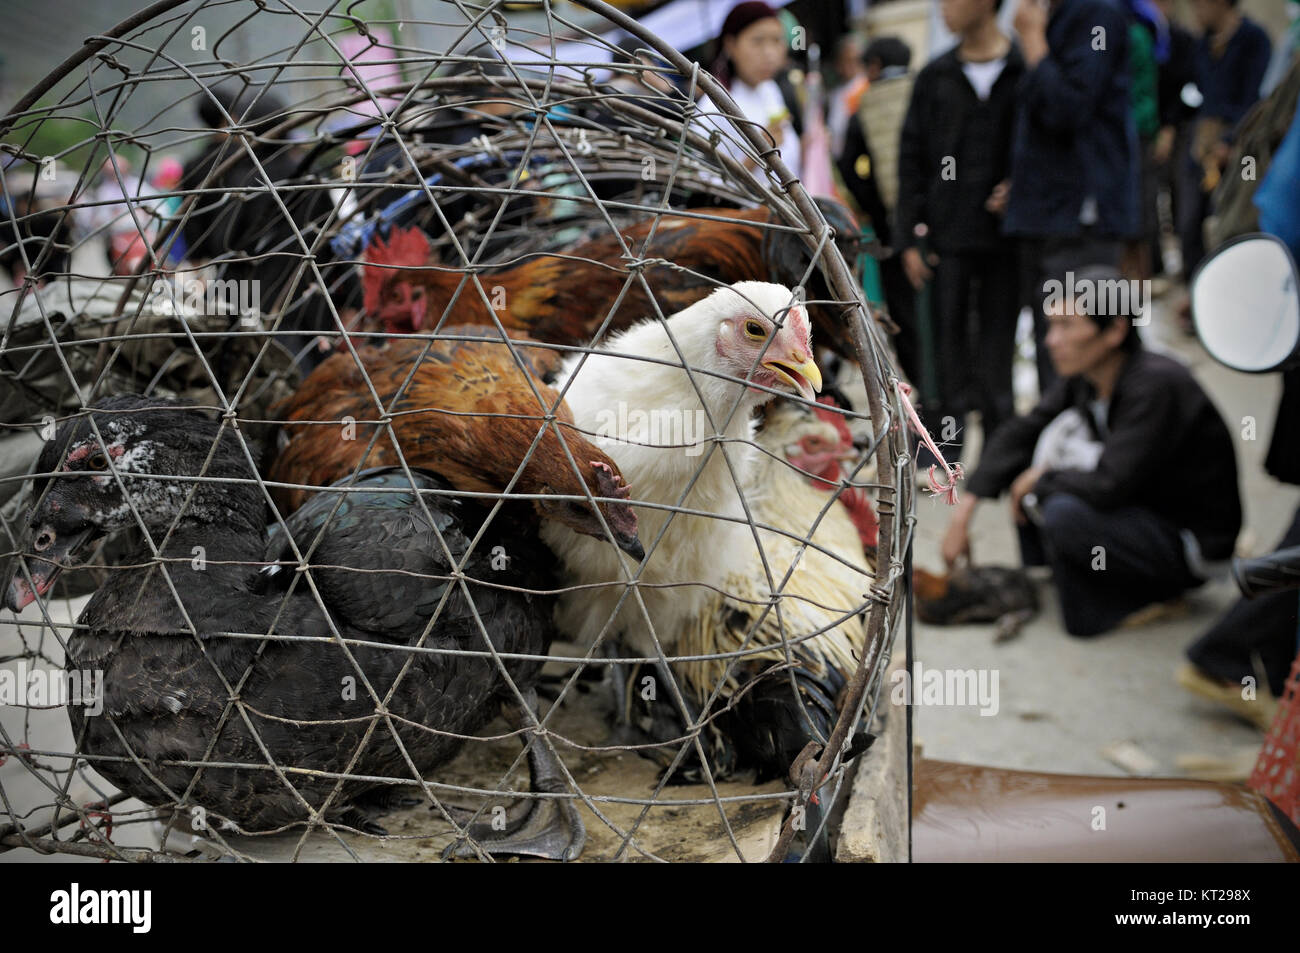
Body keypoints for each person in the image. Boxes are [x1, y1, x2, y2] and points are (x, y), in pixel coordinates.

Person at [941, 264, 1242, 637]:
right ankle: (1079, 575)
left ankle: (1153, 594)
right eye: (1051, 326)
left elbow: (1110, 484)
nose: (1051, 340)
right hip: (1147, 507)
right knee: (1037, 472)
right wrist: (963, 514)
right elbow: (1023, 430)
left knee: (1063, 508)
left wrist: (1040, 480)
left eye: (1067, 326)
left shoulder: (1156, 385)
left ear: (1115, 329)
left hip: (1190, 542)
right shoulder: (1089, 377)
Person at [895, 0, 1025, 466]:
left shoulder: (1022, 71)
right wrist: (908, 238)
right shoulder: (936, 77)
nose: (943, 8)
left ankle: (1001, 458)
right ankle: (940, 457)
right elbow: (910, 162)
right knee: (942, 350)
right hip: (945, 241)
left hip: (1007, 242)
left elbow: (1045, 149)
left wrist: (1021, 188)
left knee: (998, 351)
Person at [1003, 0, 1139, 394]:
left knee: (1084, 351)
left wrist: (1031, 38)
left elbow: (1068, 107)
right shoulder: (1052, 18)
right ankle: (1063, 446)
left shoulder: (1099, 15)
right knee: (1055, 351)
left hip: (1082, 220)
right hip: (1044, 217)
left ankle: (1098, 449)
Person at [1177, 0, 1272, 279]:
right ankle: (1195, 288)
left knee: (1230, 219)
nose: (1197, 9)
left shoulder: (1254, 39)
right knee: (1189, 221)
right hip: (1201, 141)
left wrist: (1230, 140)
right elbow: (1192, 91)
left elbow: (1258, 100)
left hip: (1240, 144)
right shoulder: (1201, 44)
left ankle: (1229, 284)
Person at [703, 1, 802, 179]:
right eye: (758, 41)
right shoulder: (713, 108)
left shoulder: (770, 89)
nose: (770, 53)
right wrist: (757, 154)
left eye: (776, 41)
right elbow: (708, 184)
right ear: (731, 45)